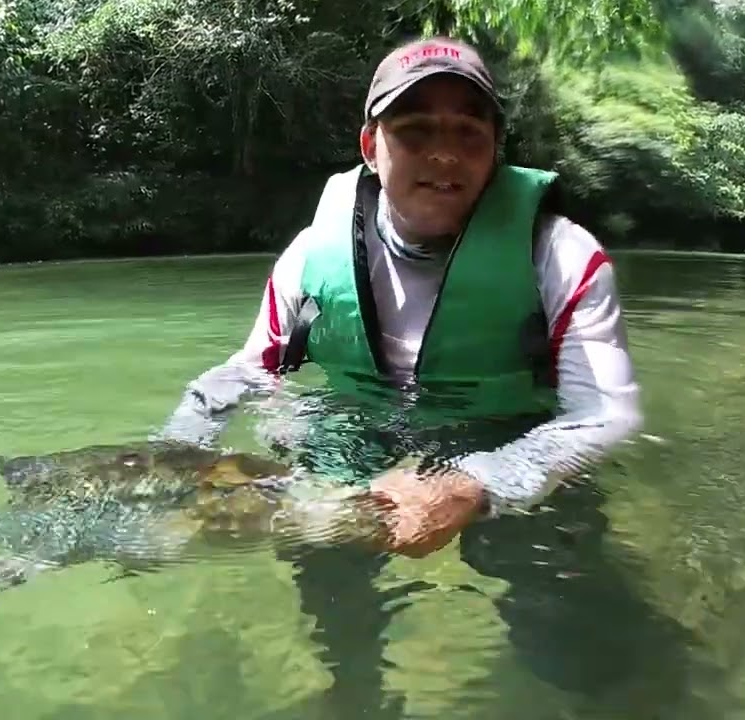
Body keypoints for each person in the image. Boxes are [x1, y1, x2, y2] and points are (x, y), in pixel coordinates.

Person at [155, 35, 647, 715]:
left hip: (510, 434)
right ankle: (355, 689)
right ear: (370, 145)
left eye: (468, 133)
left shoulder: (562, 253)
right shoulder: (309, 256)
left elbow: (605, 415)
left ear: (495, 150)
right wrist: (179, 447)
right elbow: (248, 369)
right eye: (415, 130)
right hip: (356, 424)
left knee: (573, 630)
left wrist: (476, 484)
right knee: (326, 569)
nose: (445, 153)